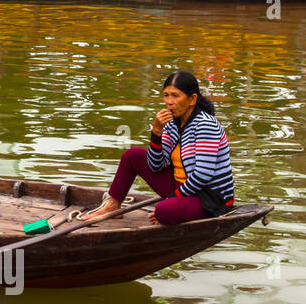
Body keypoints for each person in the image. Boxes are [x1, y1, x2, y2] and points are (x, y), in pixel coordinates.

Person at [81, 71, 234, 225]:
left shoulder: (205, 125)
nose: (169, 101)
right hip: (180, 188)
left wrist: (172, 198)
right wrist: (156, 132)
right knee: (132, 155)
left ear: (192, 99)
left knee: (163, 211)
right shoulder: (172, 123)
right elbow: (155, 166)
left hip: (208, 198)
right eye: (166, 95)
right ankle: (112, 206)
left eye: (175, 95)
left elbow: (203, 175)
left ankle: (174, 206)